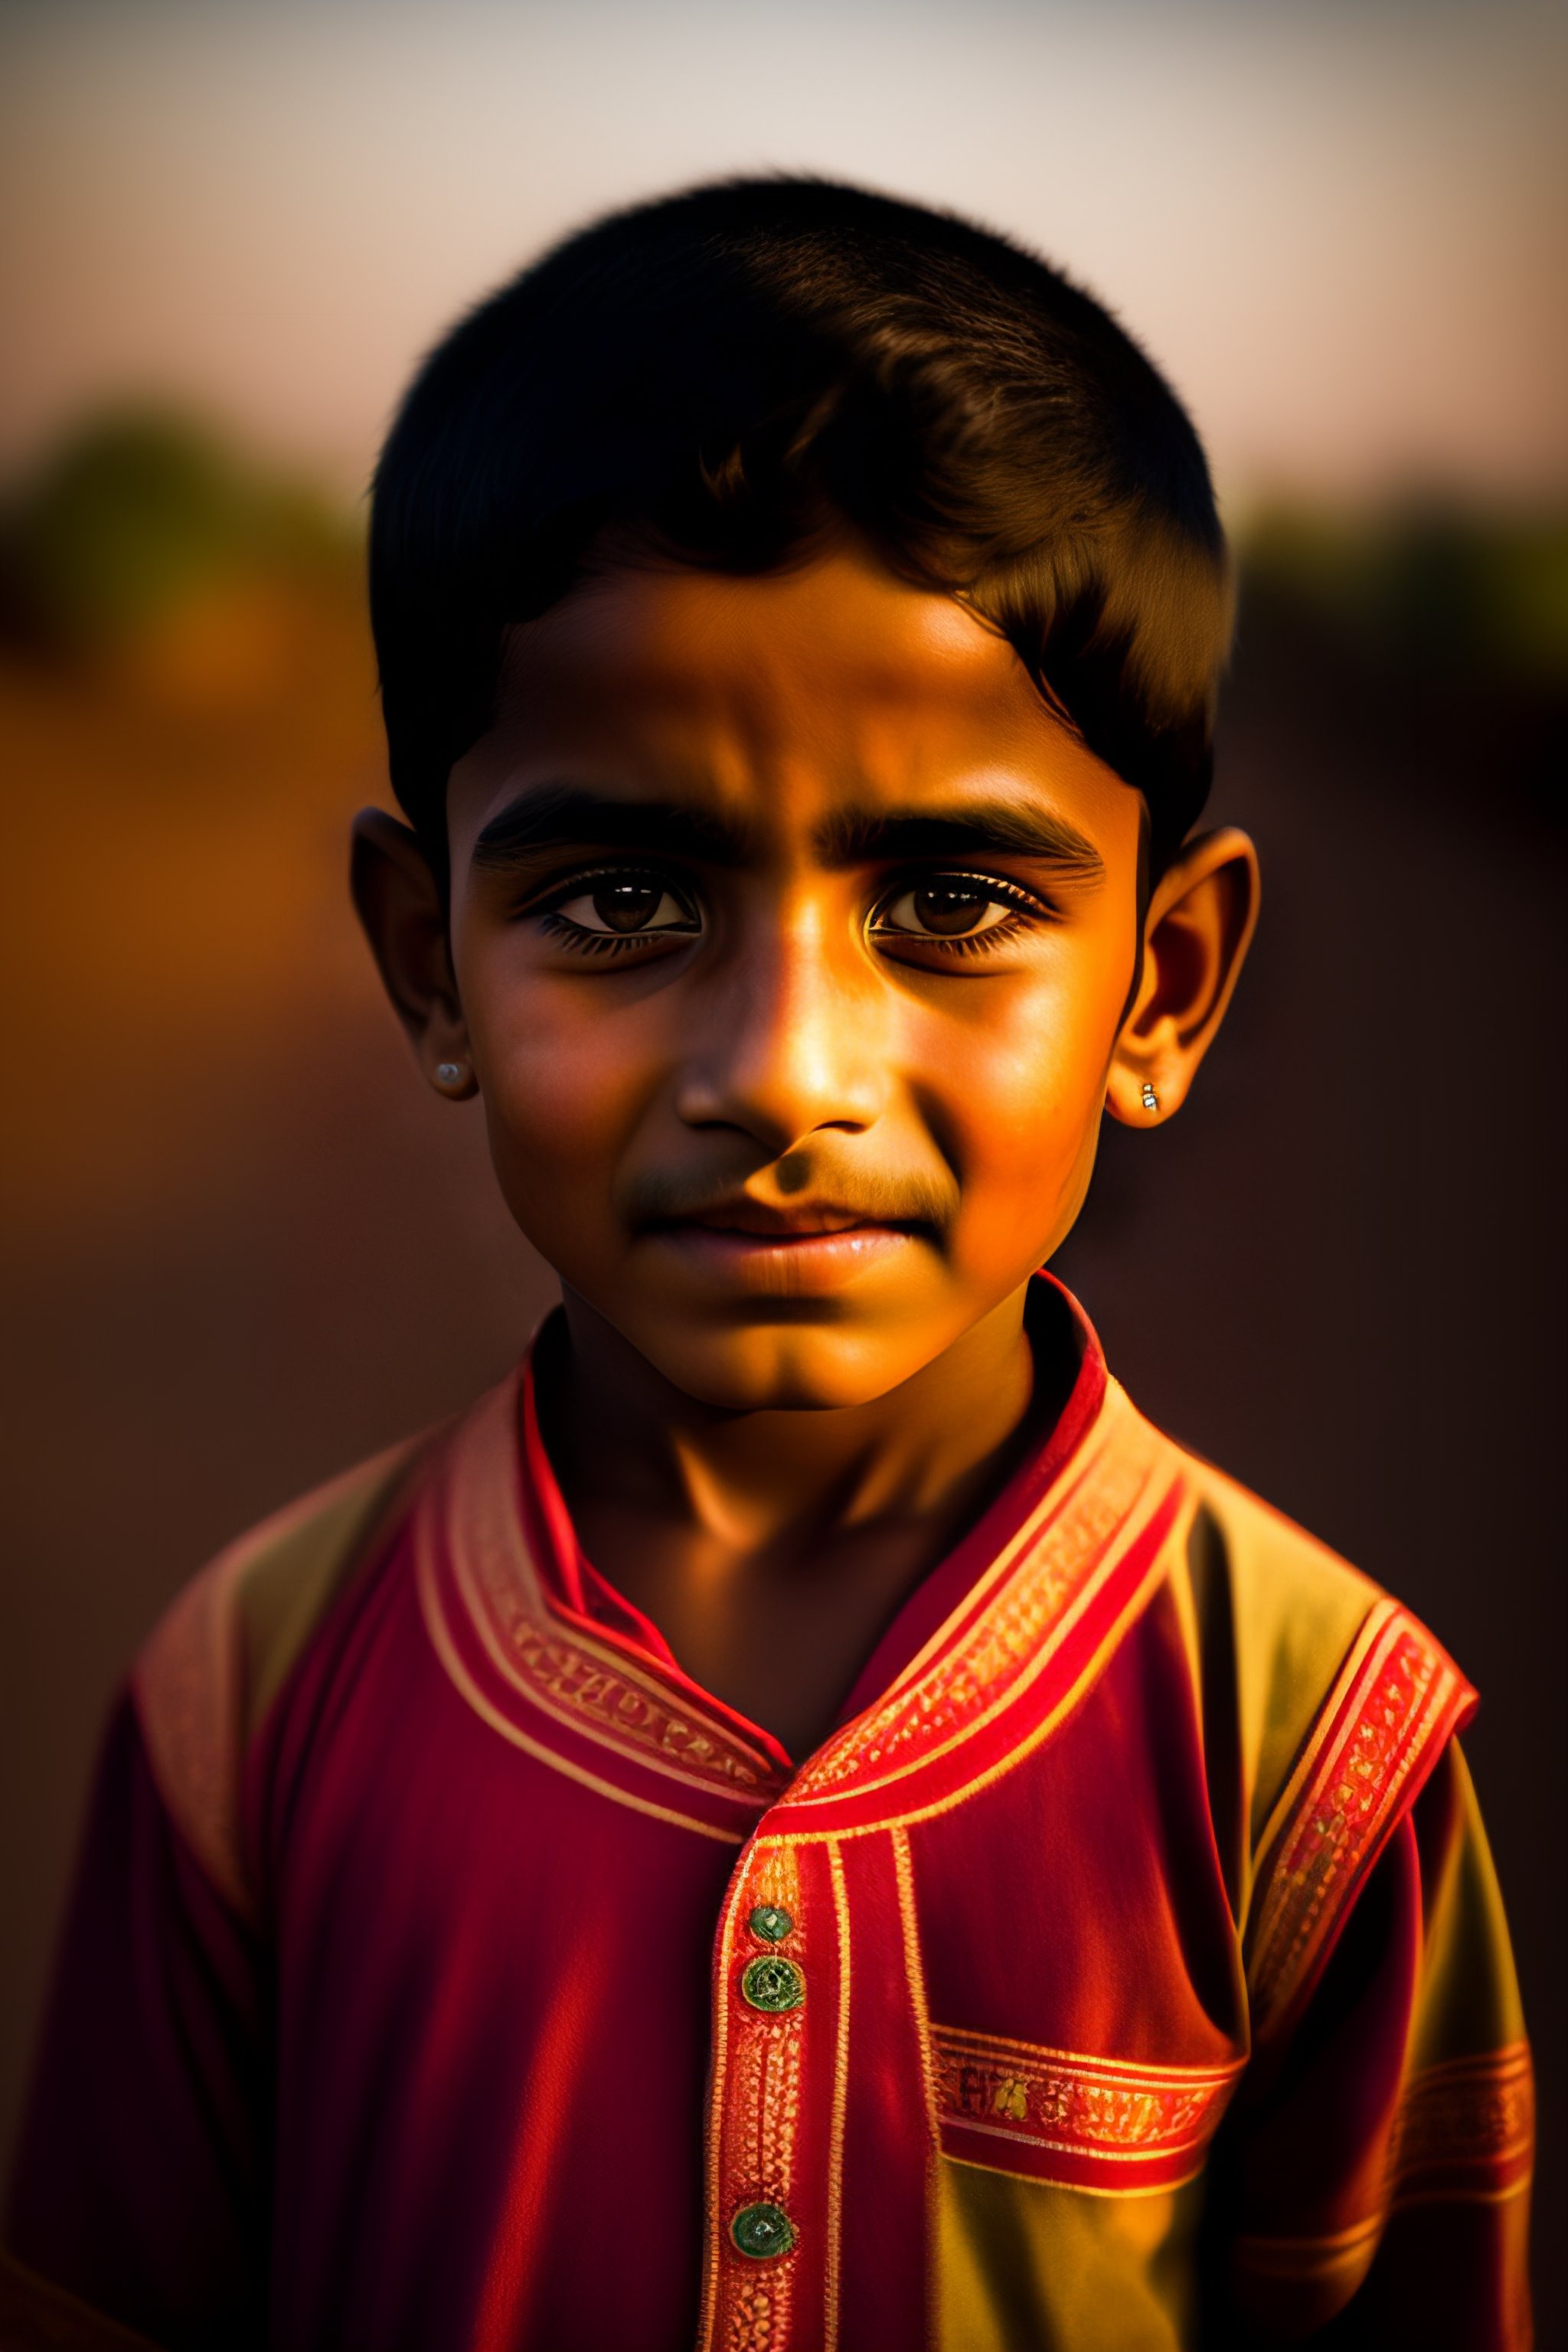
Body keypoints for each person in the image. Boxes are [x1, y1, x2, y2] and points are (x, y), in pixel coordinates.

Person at [3, 179, 1532, 2352]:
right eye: (623, 903)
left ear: (1166, 987)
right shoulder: (249, 1706)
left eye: (950, 903)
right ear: (428, 965)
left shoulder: (1313, 1747)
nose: (784, 1071)